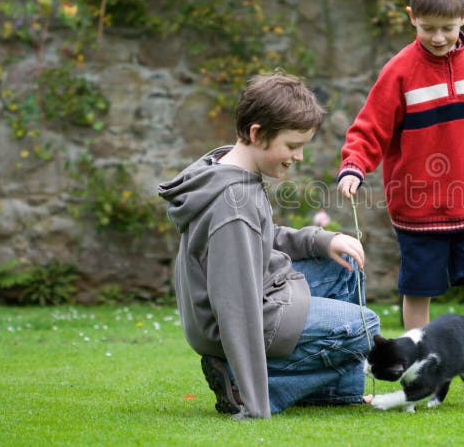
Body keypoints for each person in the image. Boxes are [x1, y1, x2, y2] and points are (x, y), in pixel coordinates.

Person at [337, 0, 464, 394]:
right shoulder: (399, 70)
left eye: (447, 27)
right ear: (411, 19)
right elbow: (370, 128)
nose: (439, 38)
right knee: (419, 289)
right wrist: (354, 165)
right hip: (418, 207)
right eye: (427, 28)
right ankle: (417, 364)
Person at [159, 71, 380, 419]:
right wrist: (255, 402)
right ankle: (242, 384)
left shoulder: (229, 170)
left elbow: (265, 236)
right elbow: (236, 305)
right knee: (364, 328)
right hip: (245, 317)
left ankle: (338, 392)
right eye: (293, 146)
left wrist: (323, 240)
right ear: (257, 134)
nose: (300, 156)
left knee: (343, 268)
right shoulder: (232, 205)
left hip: (265, 292)